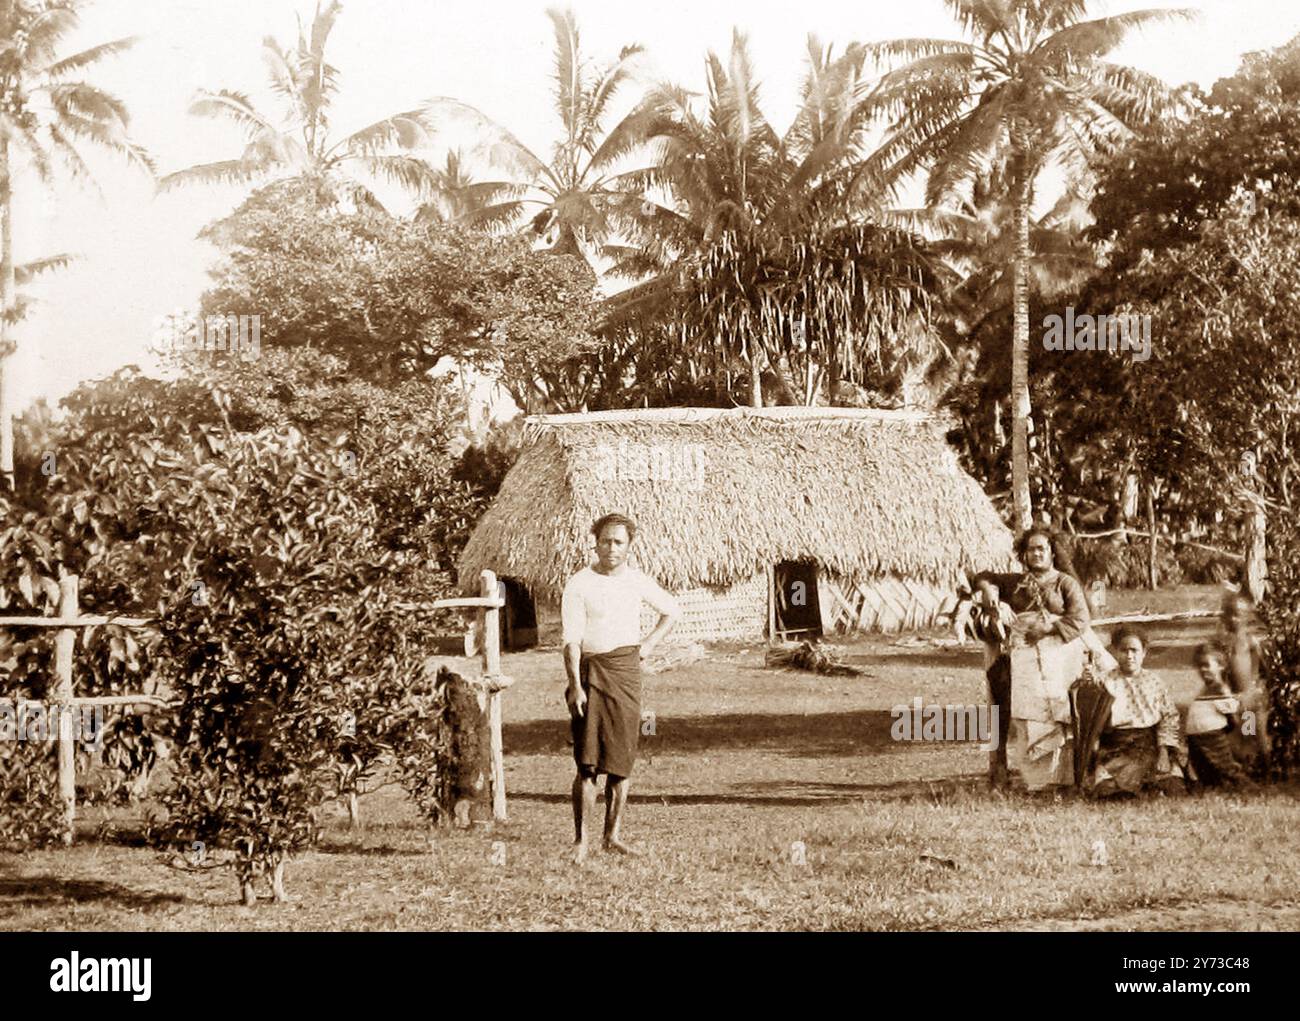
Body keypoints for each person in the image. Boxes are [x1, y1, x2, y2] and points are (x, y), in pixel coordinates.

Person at [562, 513, 679, 864]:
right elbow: (570, 641)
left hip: (626, 673)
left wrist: (648, 646)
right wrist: (575, 686)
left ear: (629, 546)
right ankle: (581, 841)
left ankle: (612, 836)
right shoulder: (579, 584)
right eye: (605, 540)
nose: (611, 548)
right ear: (595, 542)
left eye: (619, 542)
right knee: (587, 762)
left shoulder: (636, 581)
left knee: (621, 760)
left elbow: (671, 611)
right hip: (589, 673)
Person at [972, 527, 1100, 791]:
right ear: (1024, 553)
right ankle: (1040, 781)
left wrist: (1050, 628)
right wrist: (989, 590)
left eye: (1042, 548)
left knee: (1061, 713)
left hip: (1060, 655)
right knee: (1032, 717)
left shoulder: (1064, 583)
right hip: (1025, 659)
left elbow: (1081, 618)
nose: (1036, 553)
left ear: (1052, 552)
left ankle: (1067, 777)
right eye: (1031, 549)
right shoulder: (1015, 582)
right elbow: (982, 576)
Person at [1090, 627, 1184, 798]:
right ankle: (1137, 788)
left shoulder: (1154, 682)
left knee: (1174, 787)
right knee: (1106, 791)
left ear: (1144, 652)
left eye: (1134, 650)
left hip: (1149, 743)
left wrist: (1163, 752)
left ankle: (1147, 786)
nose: (1129, 656)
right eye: (1123, 650)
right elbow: (1091, 716)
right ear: (1114, 651)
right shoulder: (1106, 681)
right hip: (1116, 746)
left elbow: (1168, 718)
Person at [1184, 643, 1255, 788]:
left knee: (1226, 766)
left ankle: (1248, 787)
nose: (1202, 670)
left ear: (1221, 666)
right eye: (1200, 666)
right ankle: (1215, 786)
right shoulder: (1206, 688)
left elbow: (1239, 713)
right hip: (1196, 737)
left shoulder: (1221, 688)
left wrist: (1245, 736)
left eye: (1206, 665)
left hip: (1211, 736)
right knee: (1203, 768)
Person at [1215, 589, 1269, 773]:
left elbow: (1260, 669)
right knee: (1240, 733)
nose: (1233, 620)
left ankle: (1264, 767)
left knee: (1255, 734)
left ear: (1247, 617)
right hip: (1233, 697)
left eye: (1238, 615)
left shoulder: (1250, 642)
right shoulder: (1224, 643)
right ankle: (1245, 765)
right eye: (1228, 614)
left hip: (1250, 697)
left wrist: (1253, 691)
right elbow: (1221, 673)